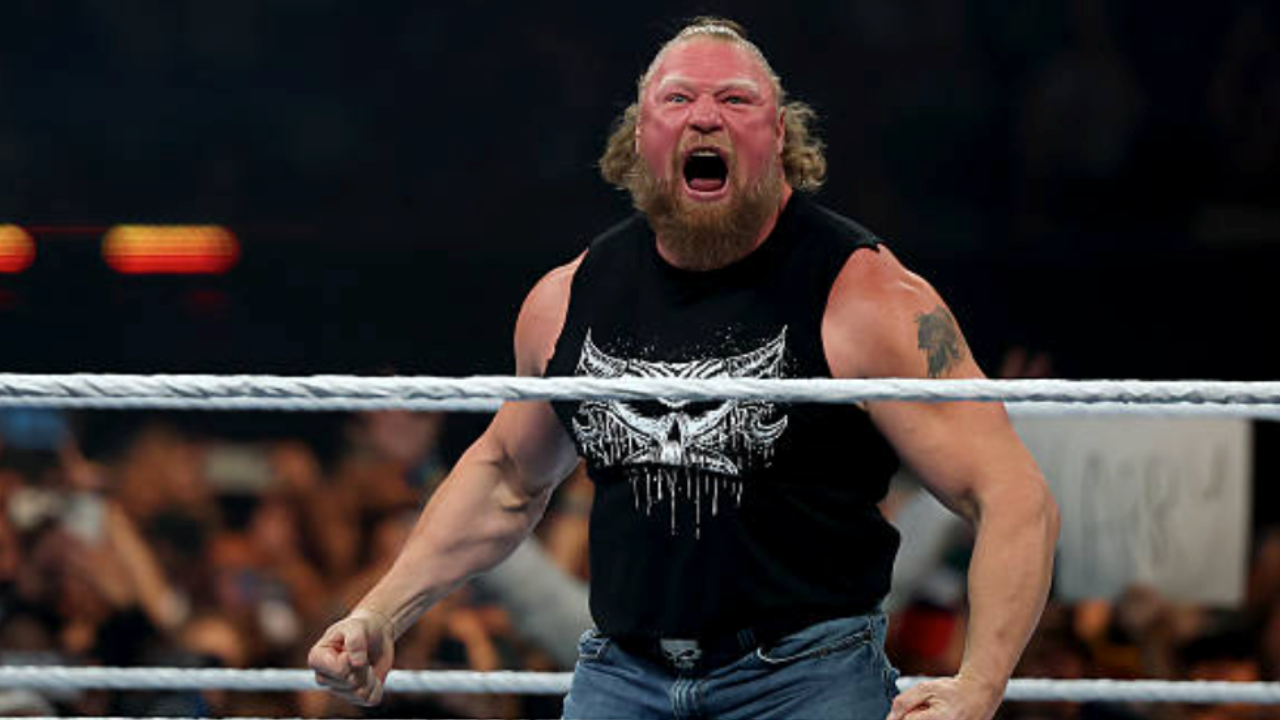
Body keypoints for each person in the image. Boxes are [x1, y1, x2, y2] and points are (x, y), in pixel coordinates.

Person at [308, 17, 1060, 720]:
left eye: (735, 99)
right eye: (679, 99)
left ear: (778, 134)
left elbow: (1011, 495)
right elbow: (505, 478)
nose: (706, 117)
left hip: (806, 676)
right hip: (622, 672)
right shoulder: (570, 298)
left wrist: (979, 685)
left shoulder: (865, 297)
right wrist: (380, 612)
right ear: (642, 135)